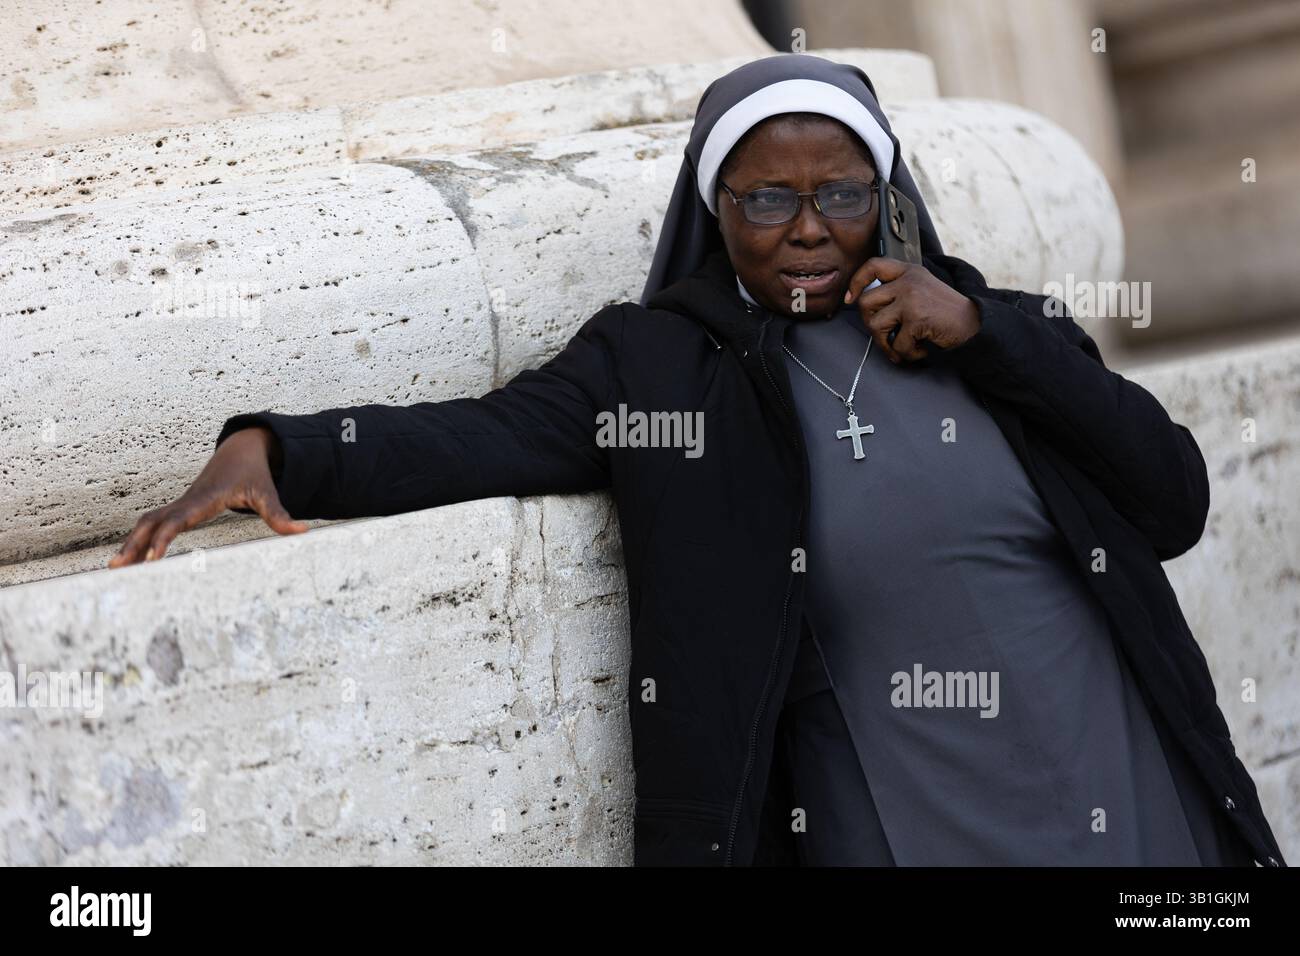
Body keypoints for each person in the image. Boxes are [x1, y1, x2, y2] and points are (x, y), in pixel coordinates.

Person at [108, 53, 1286, 868]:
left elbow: (1170, 496)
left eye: (840, 192)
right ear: (713, 203)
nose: (810, 225)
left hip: (1115, 774)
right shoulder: (659, 365)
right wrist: (279, 447)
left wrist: (989, 335)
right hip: (891, 805)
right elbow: (479, 433)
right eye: (766, 196)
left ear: (885, 195)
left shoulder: (990, 329)